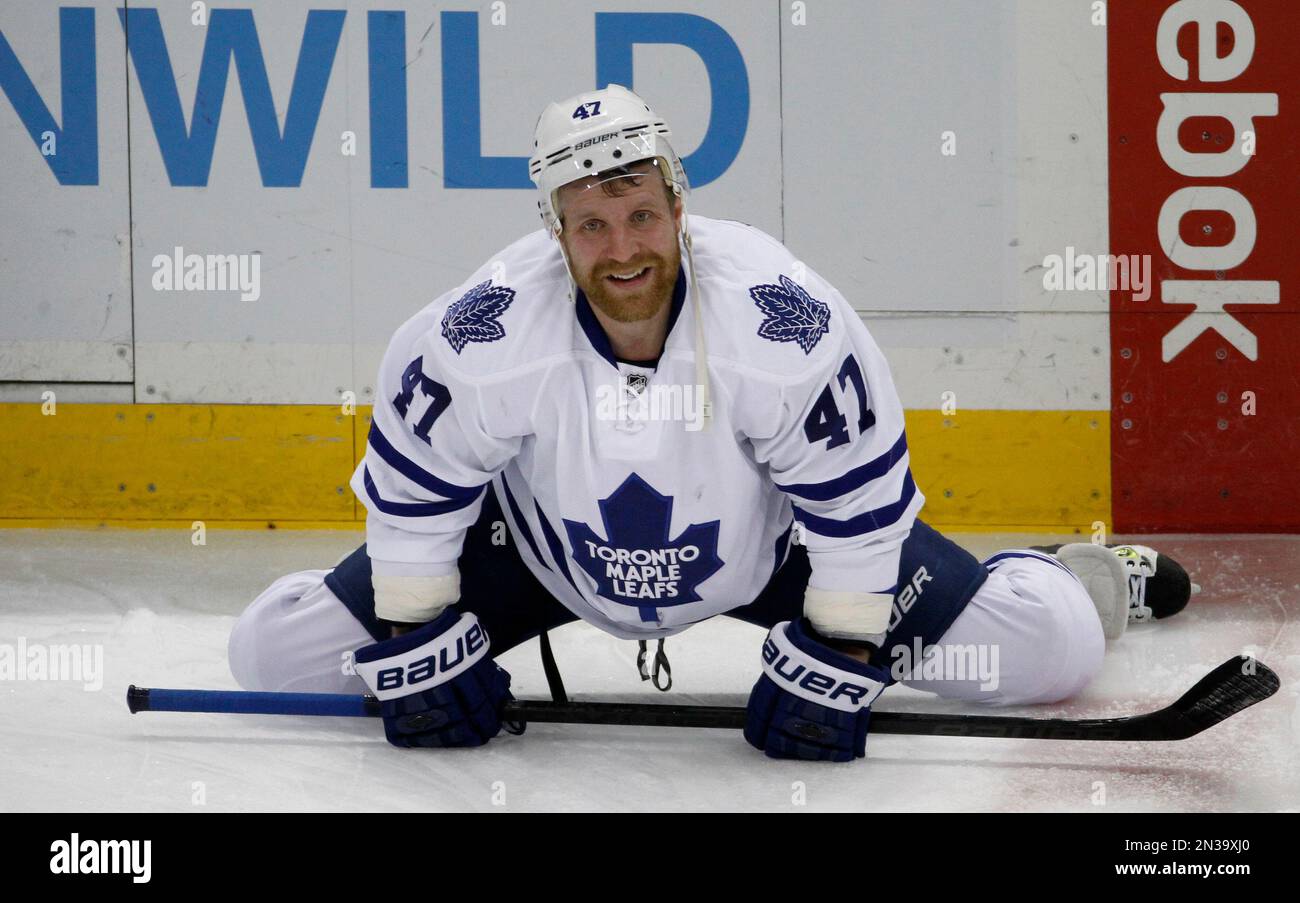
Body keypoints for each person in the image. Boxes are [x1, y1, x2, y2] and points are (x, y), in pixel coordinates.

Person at [227, 85, 1194, 761]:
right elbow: (413, 487)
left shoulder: (781, 319)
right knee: (274, 665)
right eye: (591, 226)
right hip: (538, 554)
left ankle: (1062, 574)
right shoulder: (483, 329)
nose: (623, 250)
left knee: (1046, 654)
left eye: (640, 214)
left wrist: (845, 648)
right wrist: (416, 634)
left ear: (679, 205)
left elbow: (856, 503)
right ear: (552, 229)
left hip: (773, 551)